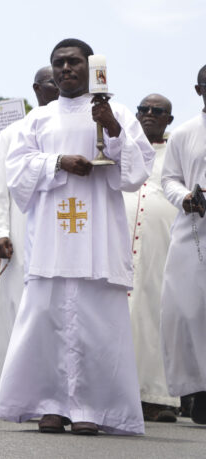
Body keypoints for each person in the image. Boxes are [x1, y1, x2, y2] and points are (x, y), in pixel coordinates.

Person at [0, 38, 153, 435]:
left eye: (74, 62)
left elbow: (136, 173)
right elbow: (15, 173)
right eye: (59, 63)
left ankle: (93, 408)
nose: (66, 69)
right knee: (46, 319)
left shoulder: (114, 111)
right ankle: (51, 404)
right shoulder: (38, 119)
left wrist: (114, 130)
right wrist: (58, 162)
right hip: (51, 236)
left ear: (91, 67)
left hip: (98, 235)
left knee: (97, 323)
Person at [0, 67, 59, 384]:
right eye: (52, 83)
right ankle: (15, 385)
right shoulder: (13, 131)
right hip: (20, 230)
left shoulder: (82, 127)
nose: (59, 88)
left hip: (63, 228)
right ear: (37, 89)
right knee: (18, 304)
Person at [123, 94, 180, 422]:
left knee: (155, 313)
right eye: (143, 109)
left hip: (162, 242)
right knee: (121, 314)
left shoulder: (177, 151)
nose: (148, 115)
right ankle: (120, 391)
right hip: (121, 240)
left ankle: (159, 398)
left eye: (157, 111)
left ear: (168, 120)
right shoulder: (124, 149)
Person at [160, 64, 206, 425]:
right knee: (190, 312)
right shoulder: (185, 133)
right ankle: (199, 393)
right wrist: (186, 197)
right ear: (197, 90)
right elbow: (170, 178)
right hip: (194, 228)